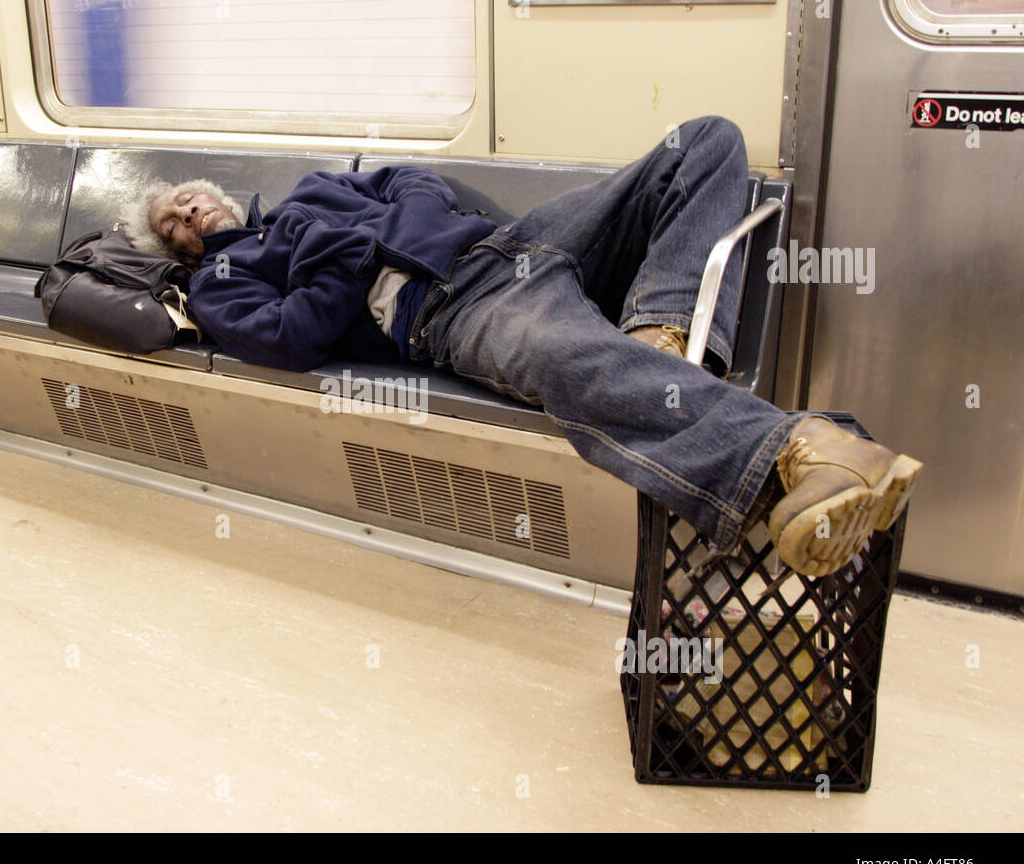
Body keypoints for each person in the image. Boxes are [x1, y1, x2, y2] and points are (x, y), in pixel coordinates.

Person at [119, 117, 921, 578]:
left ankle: (659, 340)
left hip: (511, 242)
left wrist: (358, 239)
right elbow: (293, 336)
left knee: (702, 142)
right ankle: (803, 452)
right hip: (446, 312)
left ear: (209, 189)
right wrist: (351, 255)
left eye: (185, 203)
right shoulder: (221, 282)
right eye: (173, 229)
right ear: (180, 251)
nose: (187, 218)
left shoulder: (312, 193)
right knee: (569, 362)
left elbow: (412, 184)